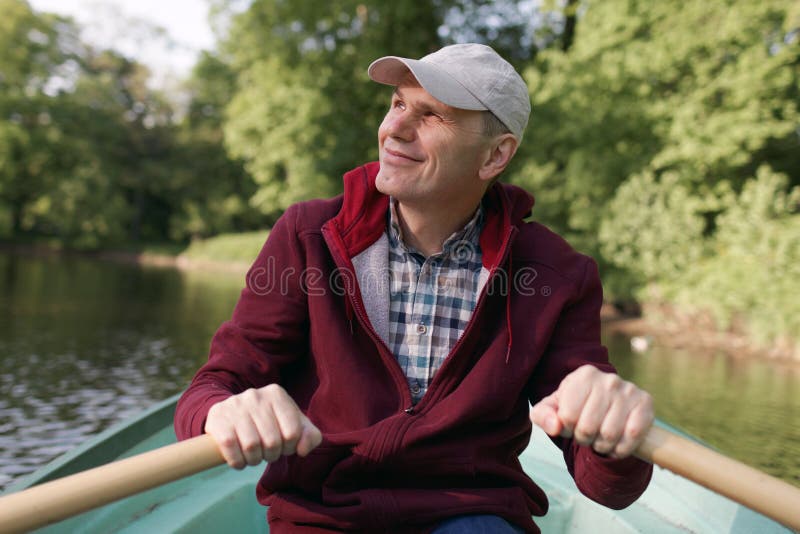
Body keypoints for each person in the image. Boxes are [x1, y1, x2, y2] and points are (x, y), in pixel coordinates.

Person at [174, 43, 654, 533]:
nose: (395, 129)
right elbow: (210, 389)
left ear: (495, 155)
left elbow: (607, 488)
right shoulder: (305, 236)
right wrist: (222, 412)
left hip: (471, 515)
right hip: (324, 518)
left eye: (432, 116)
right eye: (399, 103)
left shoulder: (555, 273)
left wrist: (612, 433)